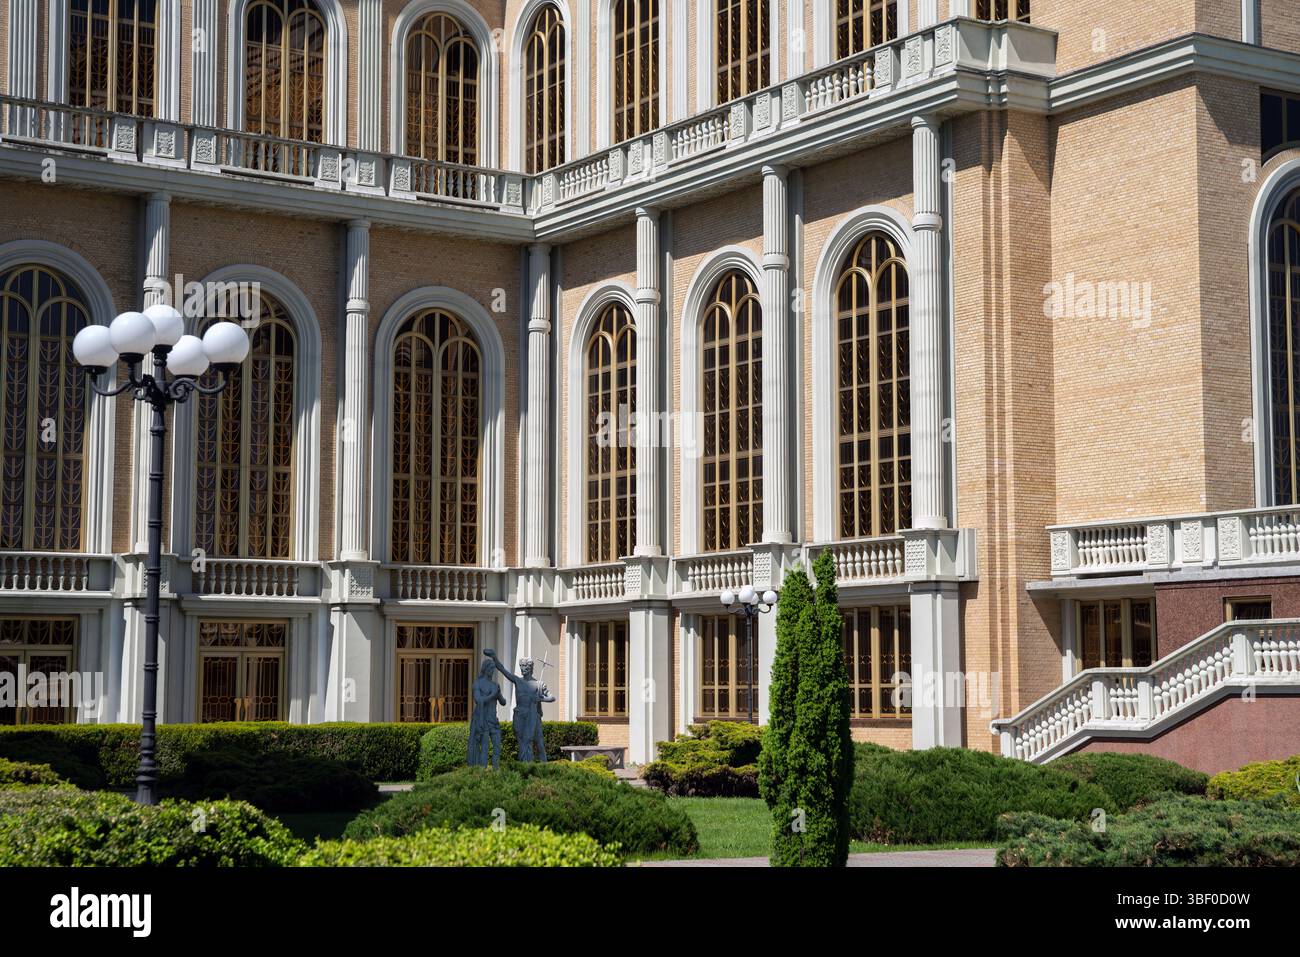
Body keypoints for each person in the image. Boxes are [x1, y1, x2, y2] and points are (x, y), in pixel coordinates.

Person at [483, 648, 555, 762]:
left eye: (525, 666)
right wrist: (494, 657)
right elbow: (502, 669)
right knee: (522, 742)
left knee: (539, 743)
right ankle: (525, 765)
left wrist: (542, 698)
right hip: (520, 715)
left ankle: (545, 767)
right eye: (521, 666)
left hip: (533, 717)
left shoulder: (539, 684)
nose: (522, 669)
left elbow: (552, 697)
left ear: (530, 668)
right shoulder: (517, 680)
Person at [468, 657, 507, 768]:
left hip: (493, 721)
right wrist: (492, 695)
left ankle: (496, 771)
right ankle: (482, 774)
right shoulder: (478, 684)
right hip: (482, 720)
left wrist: (498, 693)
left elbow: (503, 702)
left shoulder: (495, 685)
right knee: (484, 748)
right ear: (485, 669)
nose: (492, 671)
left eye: (493, 669)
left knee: (497, 747)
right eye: (490, 668)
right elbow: (478, 700)